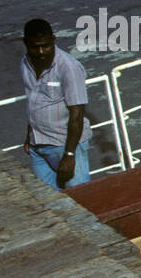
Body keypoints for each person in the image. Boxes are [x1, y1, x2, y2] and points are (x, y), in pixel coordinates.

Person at [20, 18, 91, 190]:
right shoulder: (25, 62)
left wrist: (69, 154)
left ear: (54, 40)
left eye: (46, 45)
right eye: (34, 47)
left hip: (64, 145)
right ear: (25, 43)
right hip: (38, 146)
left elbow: (77, 113)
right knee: (48, 201)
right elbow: (34, 101)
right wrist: (29, 135)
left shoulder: (69, 68)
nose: (41, 52)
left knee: (80, 199)